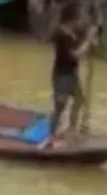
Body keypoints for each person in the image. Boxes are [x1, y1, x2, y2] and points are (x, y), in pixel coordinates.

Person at [40, 17, 97, 149]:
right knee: (60, 107)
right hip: (62, 76)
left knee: (79, 100)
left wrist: (90, 40)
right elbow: (75, 55)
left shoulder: (72, 34)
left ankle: (71, 129)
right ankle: (50, 138)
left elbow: (80, 47)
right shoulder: (63, 34)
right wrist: (88, 41)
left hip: (71, 75)